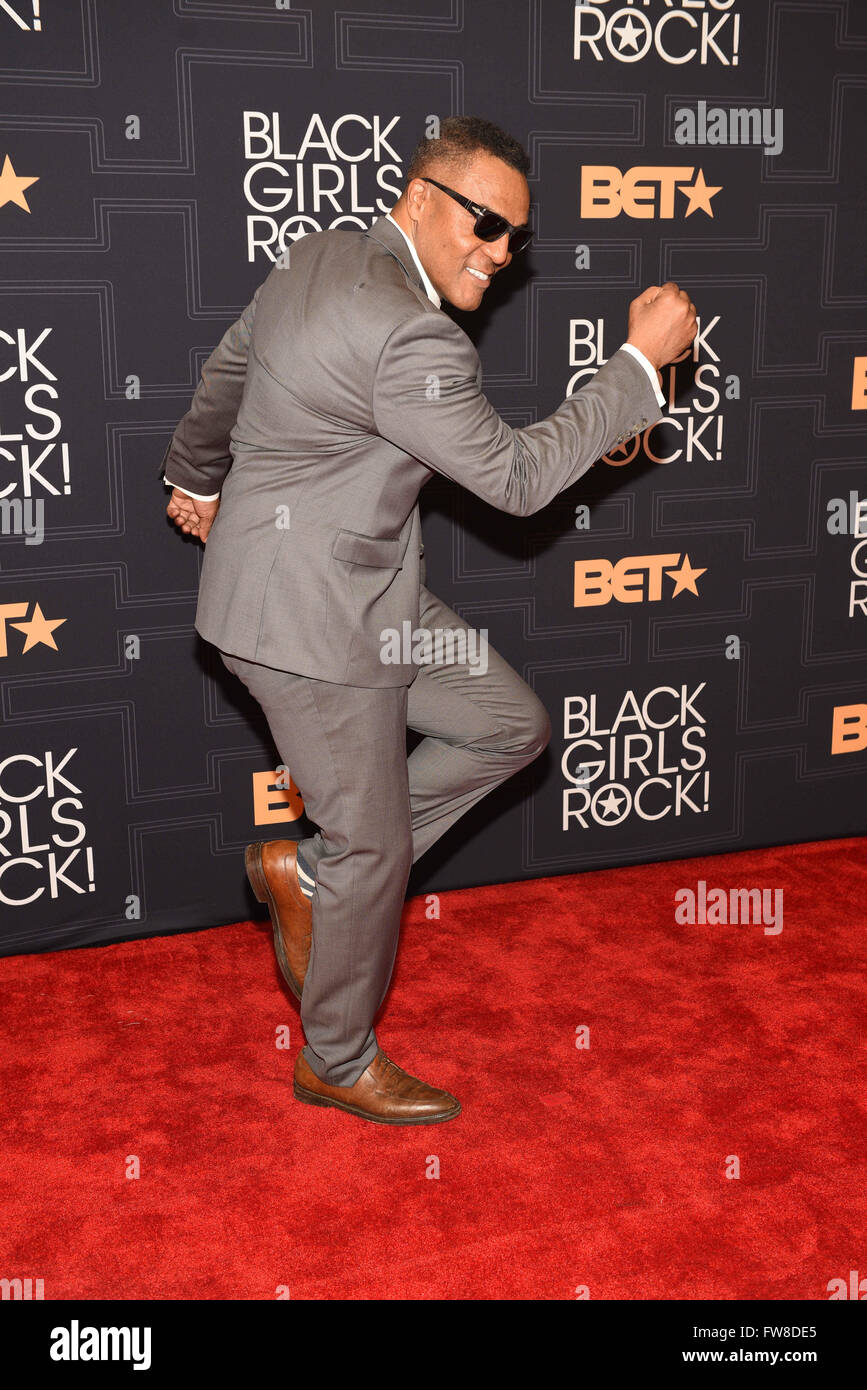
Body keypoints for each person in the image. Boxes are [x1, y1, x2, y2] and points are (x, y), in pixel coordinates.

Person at [160, 116, 696, 1126]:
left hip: (364, 587)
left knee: (508, 724)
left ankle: (310, 866)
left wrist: (194, 472)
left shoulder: (318, 254)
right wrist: (636, 366)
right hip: (309, 623)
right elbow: (521, 479)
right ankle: (334, 1052)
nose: (499, 253)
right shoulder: (412, 333)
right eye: (485, 224)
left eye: (515, 239)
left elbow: (233, 362)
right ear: (418, 198)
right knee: (376, 845)